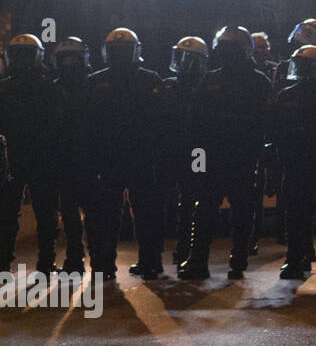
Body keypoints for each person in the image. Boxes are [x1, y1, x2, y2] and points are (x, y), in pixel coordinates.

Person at [181, 26, 271, 280]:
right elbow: (195, 122)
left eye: (231, 49)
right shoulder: (211, 79)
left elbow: (264, 122)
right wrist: (197, 160)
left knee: (241, 210)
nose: (226, 54)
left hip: (241, 155)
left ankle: (239, 258)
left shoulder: (258, 81)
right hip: (212, 156)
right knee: (205, 209)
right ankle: (198, 260)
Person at [84, 28, 166, 280]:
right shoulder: (98, 81)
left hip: (133, 156)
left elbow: (162, 122)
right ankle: (125, 263)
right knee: (118, 214)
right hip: (116, 157)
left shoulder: (146, 79)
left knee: (136, 214)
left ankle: (118, 264)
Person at [268, 46, 316, 279]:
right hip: (295, 164)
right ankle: (295, 257)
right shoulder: (287, 95)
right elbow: (274, 129)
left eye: (304, 65)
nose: (299, 69)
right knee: (295, 216)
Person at [0, 34, 66, 274]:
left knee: (7, 214)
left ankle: (3, 264)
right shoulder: (49, 87)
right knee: (44, 214)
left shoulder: (5, 87)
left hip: (15, 159)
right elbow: (58, 125)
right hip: (39, 159)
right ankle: (46, 264)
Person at [160, 36, 208, 268]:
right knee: (161, 200)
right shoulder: (167, 84)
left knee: (191, 199)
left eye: (189, 59)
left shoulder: (207, 85)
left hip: (197, 150)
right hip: (171, 148)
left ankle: (184, 249)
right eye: (181, 57)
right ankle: (154, 253)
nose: (183, 63)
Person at [52, 37, 95, 274]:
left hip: (83, 159)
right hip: (69, 159)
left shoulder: (94, 86)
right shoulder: (53, 88)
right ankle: (80, 258)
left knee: (83, 214)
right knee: (71, 214)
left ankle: (87, 259)